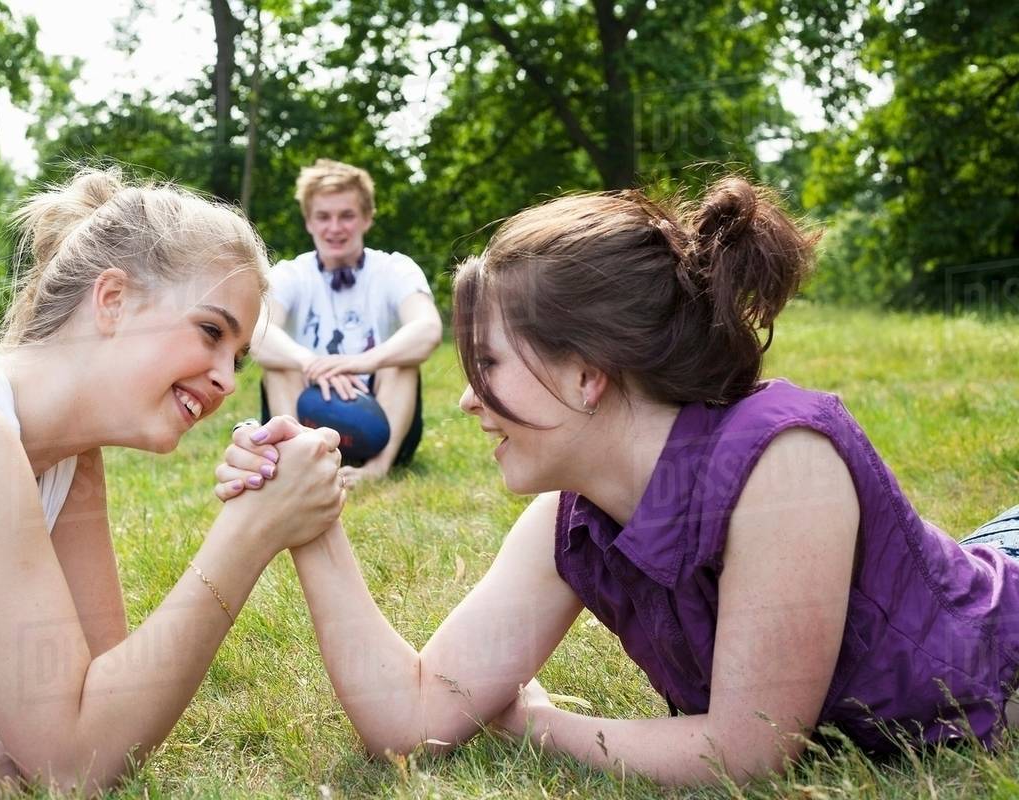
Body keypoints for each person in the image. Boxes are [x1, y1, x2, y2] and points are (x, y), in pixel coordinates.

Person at [219, 176, 1019, 785]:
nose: (467, 397)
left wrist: (536, 724)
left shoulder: (784, 462)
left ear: (586, 375)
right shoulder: (571, 520)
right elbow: (412, 719)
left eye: (489, 363)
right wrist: (312, 522)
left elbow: (749, 749)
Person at [0, 168, 345, 795]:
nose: (228, 381)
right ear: (113, 300)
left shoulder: (67, 462)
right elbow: (75, 761)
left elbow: (102, 710)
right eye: (211, 331)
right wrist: (249, 533)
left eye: (237, 358)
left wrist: (5, 759)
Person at [252, 159, 442, 488]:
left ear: (367, 218)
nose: (335, 228)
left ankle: (376, 469)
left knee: (402, 364)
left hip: (378, 420)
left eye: (347, 215)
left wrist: (360, 363)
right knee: (278, 364)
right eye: (323, 217)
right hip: (309, 409)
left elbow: (428, 329)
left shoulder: (395, 268)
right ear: (309, 222)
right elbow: (257, 334)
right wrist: (310, 363)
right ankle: (301, 464)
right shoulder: (290, 273)